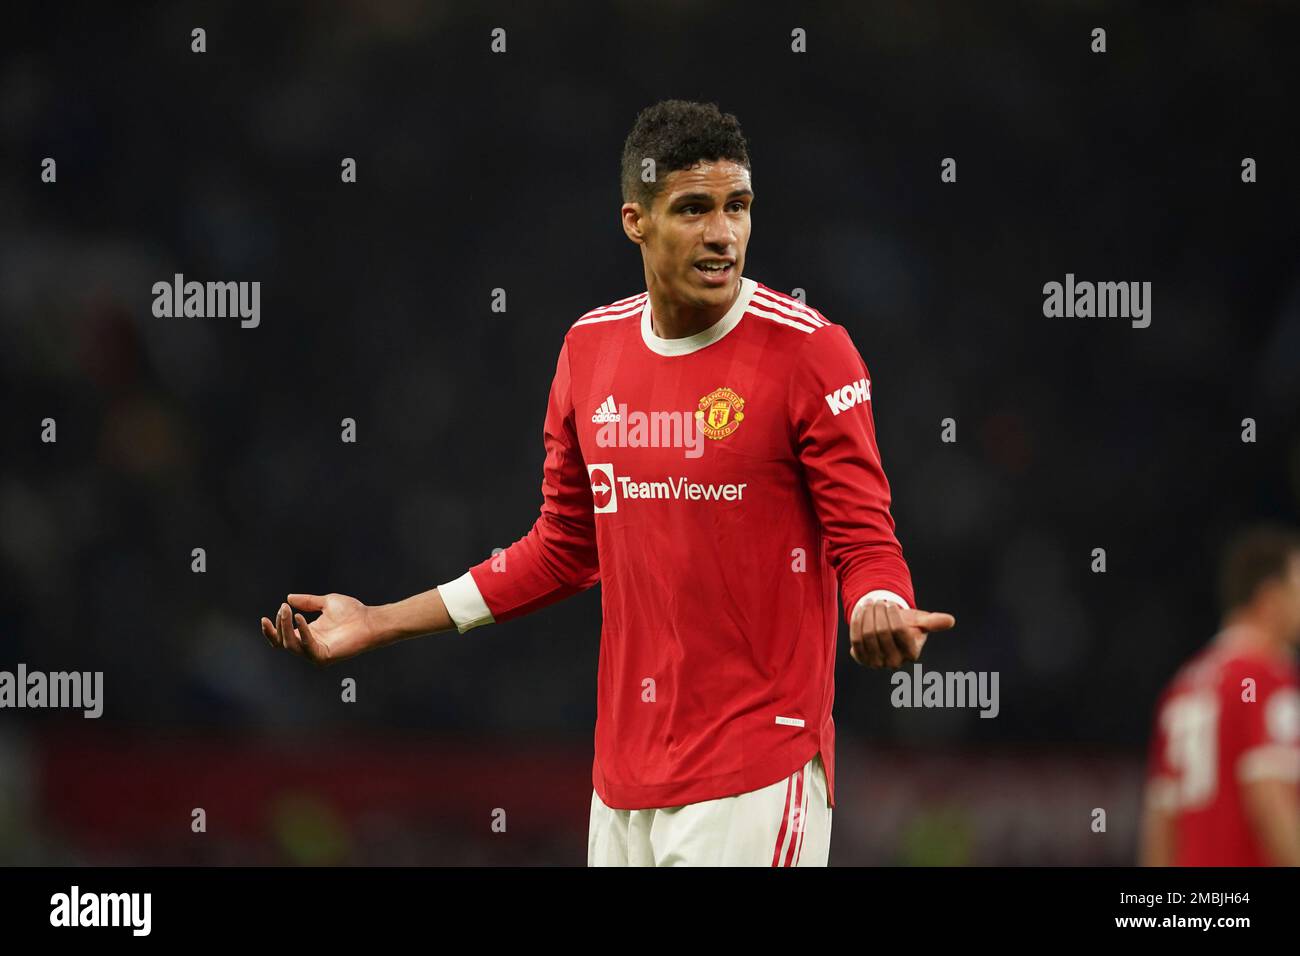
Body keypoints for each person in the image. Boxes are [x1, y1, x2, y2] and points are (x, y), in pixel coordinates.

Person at [261, 99, 956, 866]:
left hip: (756, 773)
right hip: (623, 788)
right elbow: (561, 549)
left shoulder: (812, 354)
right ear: (636, 221)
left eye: (738, 207)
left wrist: (880, 603)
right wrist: (381, 621)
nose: (723, 234)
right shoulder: (590, 350)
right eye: (694, 209)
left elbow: (866, 541)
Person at [1141, 525, 1300, 865]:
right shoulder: (1264, 678)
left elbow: (1160, 822)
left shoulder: (1182, 686)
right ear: (1270, 599)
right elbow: (1270, 798)